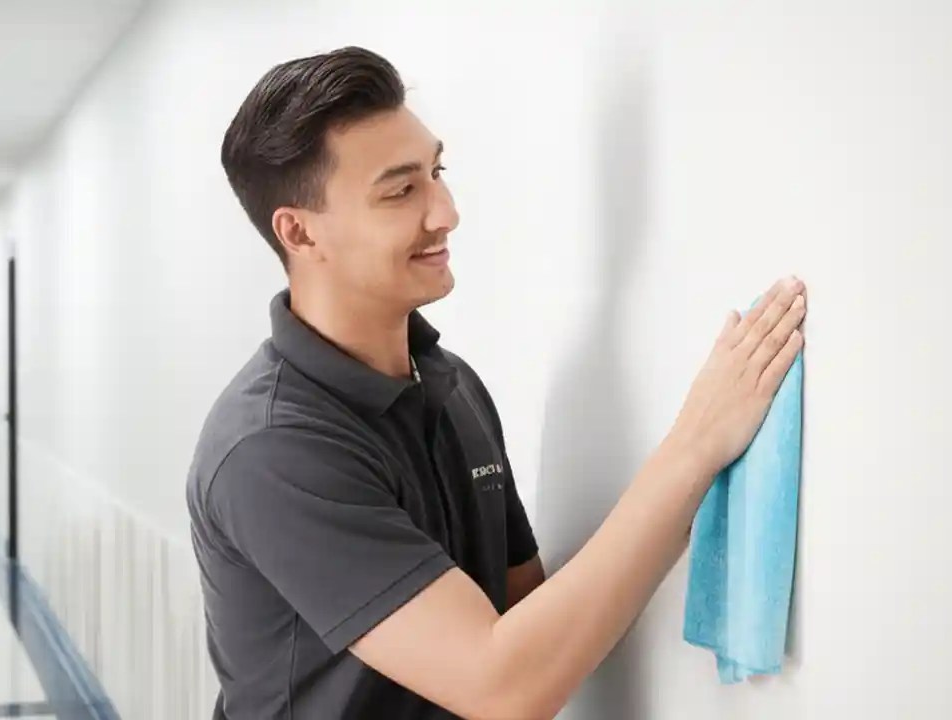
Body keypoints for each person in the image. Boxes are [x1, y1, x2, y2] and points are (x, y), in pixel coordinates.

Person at [186, 46, 806, 720]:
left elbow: (532, 621)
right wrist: (694, 446)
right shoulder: (272, 449)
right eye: (401, 190)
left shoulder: (452, 387)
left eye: (436, 171)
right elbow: (502, 685)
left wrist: (704, 489)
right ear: (300, 233)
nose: (445, 211)